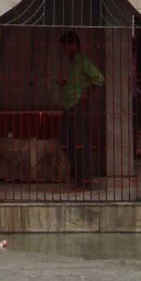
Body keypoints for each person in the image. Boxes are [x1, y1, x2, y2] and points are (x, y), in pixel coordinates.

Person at [57, 30, 104, 188]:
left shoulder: (83, 61)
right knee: (65, 142)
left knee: (80, 143)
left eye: (65, 47)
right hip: (68, 105)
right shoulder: (73, 62)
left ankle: (85, 180)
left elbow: (99, 79)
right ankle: (78, 176)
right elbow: (79, 81)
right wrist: (67, 83)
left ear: (72, 46)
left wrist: (86, 95)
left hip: (77, 106)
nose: (64, 51)